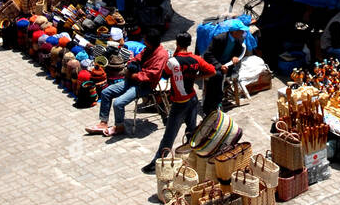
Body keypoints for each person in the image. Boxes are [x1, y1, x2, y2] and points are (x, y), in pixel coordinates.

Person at [146, 33, 217, 173]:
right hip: (192, 99)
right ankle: (195, 158)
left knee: (169, 135)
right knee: (192, 131)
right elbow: (212, 71)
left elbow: (165, 75)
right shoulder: (196, 59)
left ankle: (157, 162)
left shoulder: (173, 62)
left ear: (177, 44)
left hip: (179, 103)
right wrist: (198, 77)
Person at [86, 29, 169, 138]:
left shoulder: (161, 55)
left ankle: (119, 127)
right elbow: (136, 58)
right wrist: (131, 66)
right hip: (132, 80)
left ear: (151, 42)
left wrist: (134, 75)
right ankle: (103, 122)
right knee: (106, 92)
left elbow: (151, 75)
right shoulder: (148, 49)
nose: (144, 42)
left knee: (118, 103)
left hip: (145, 85)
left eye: (146, 41)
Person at [203, 29, 249, 115]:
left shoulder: (239, 39)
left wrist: (235, 57)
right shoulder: (219, 38)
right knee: (217, 76)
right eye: (241, 31)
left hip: (229, 66)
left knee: (221, 78)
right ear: (234, 32)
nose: (243, 34)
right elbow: (208, 54)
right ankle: (211, 105)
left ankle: (217, 100)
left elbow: (239, 52)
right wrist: (219, 66)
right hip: (215, 64)